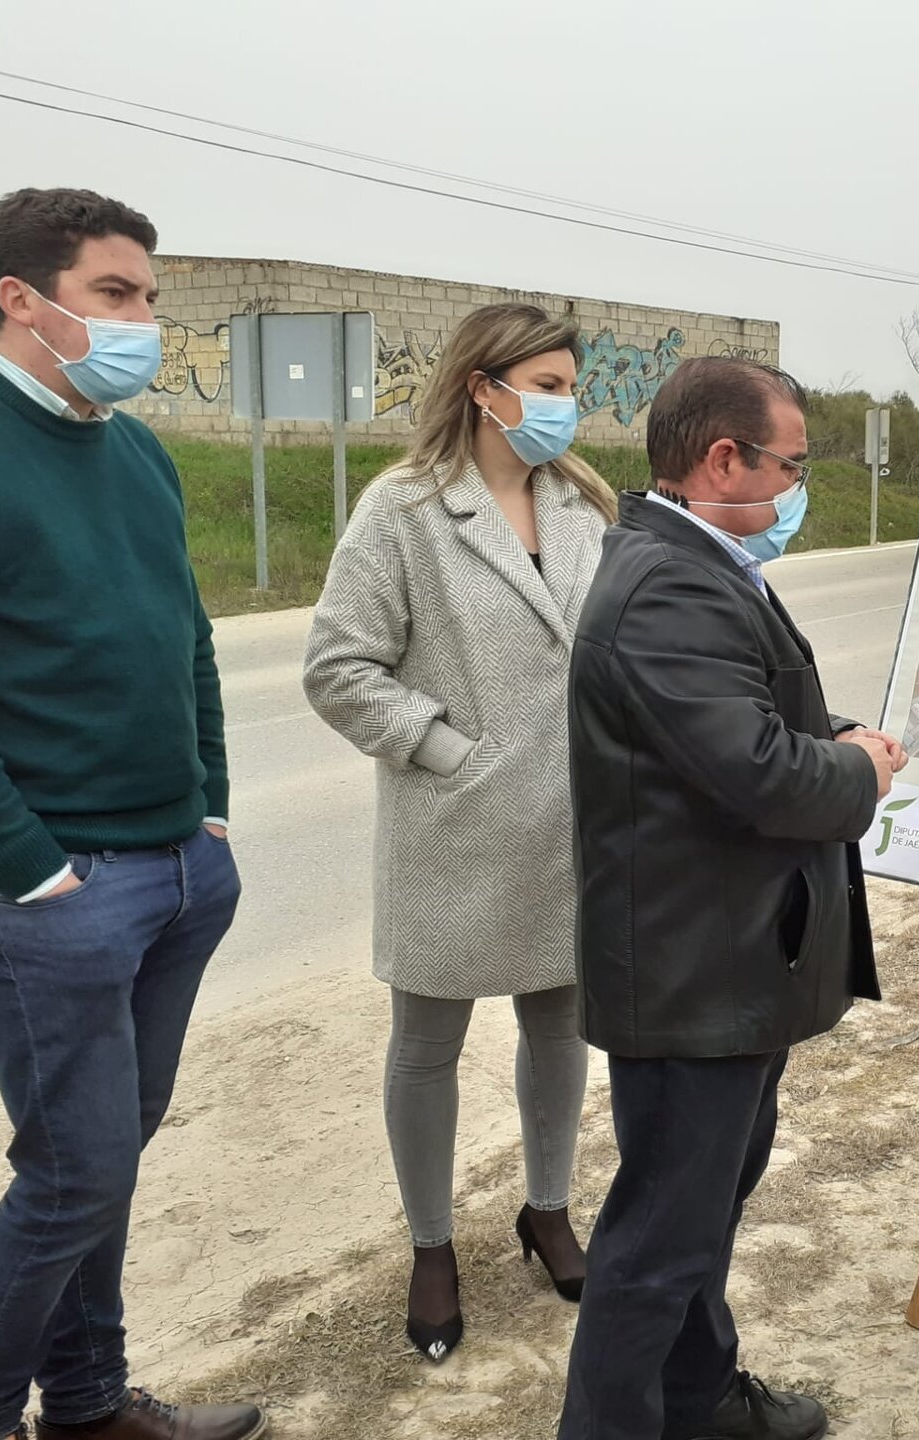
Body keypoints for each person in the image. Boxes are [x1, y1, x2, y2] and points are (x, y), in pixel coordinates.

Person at [0, 190, 256, 1440]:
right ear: (23, 299)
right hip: (51, 891)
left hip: (178, 869)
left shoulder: (136, 450)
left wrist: (216, 812)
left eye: (149, 296)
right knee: (76, 1174)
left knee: (104, 1169)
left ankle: (83, 1405)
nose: (147, 321)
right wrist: (27, 872)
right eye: (117, 295)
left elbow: (187, 640)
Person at [557, 356, 904, 1440]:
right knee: (658, 1244)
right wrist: (861, 772)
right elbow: (755, 773)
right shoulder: (667, 583)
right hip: (688, 973)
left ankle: (697, 1399)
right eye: (792, 464)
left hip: (729, 960)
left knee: (703, 1214)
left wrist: (832, 734)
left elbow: (729, 720)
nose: (802, 485)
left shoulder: (700, 562)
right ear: (724, 459)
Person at [302, 303, 615, 1363]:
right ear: (484, 389)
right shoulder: (403, 510)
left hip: (575, 830)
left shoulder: (585, 505)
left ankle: (547, 1208)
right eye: (551, 384)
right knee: (427, 1047)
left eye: (574, 386)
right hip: (455, 825)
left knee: (561, 1028)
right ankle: (432, 1247)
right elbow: (339, 670)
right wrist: (449, 753)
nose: (569, 406)